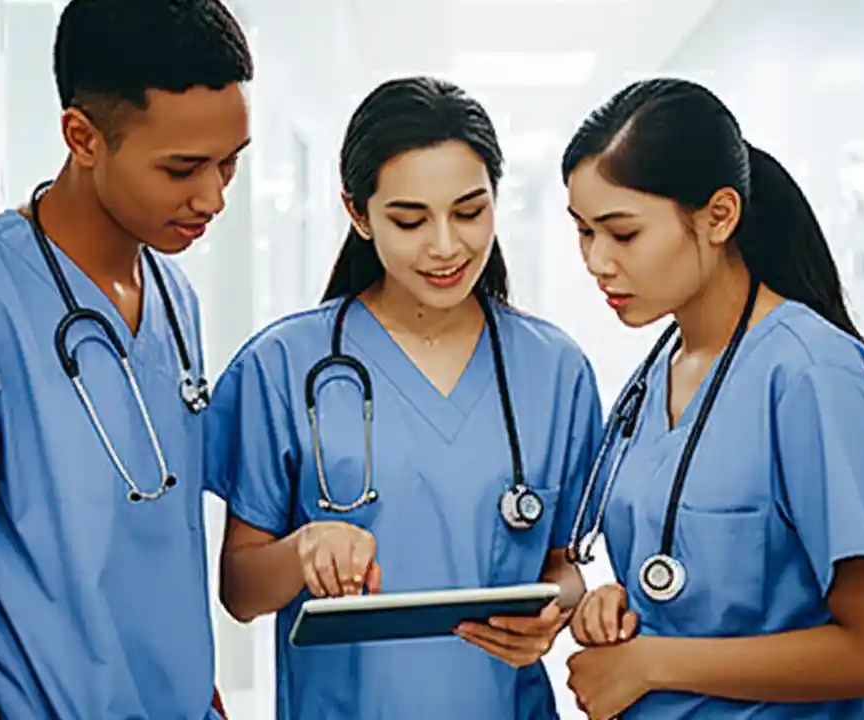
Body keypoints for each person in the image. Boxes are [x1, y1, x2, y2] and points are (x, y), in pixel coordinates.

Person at [0, 1, 251, 717]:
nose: (213, 197)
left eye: (230, 163)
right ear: (83, 136)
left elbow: (157, 562)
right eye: (182, 168)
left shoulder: (175, 297)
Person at [206, 76, 602, 719]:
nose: (446, 246)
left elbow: (564, 567)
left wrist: (553, 613)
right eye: (410, 220)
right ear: (358, 213)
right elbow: (241, 592)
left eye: (470, 212)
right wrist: (303, 549)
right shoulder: (284, 365)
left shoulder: (554, 371)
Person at [558, 77, 864, 719]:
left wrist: (651, 662)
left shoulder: (811, 375)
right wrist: (617, 606)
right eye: (584, 232)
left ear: (719, 216)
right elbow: (689, 579)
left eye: (623, 233)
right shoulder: (656, 376)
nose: (596, 261)